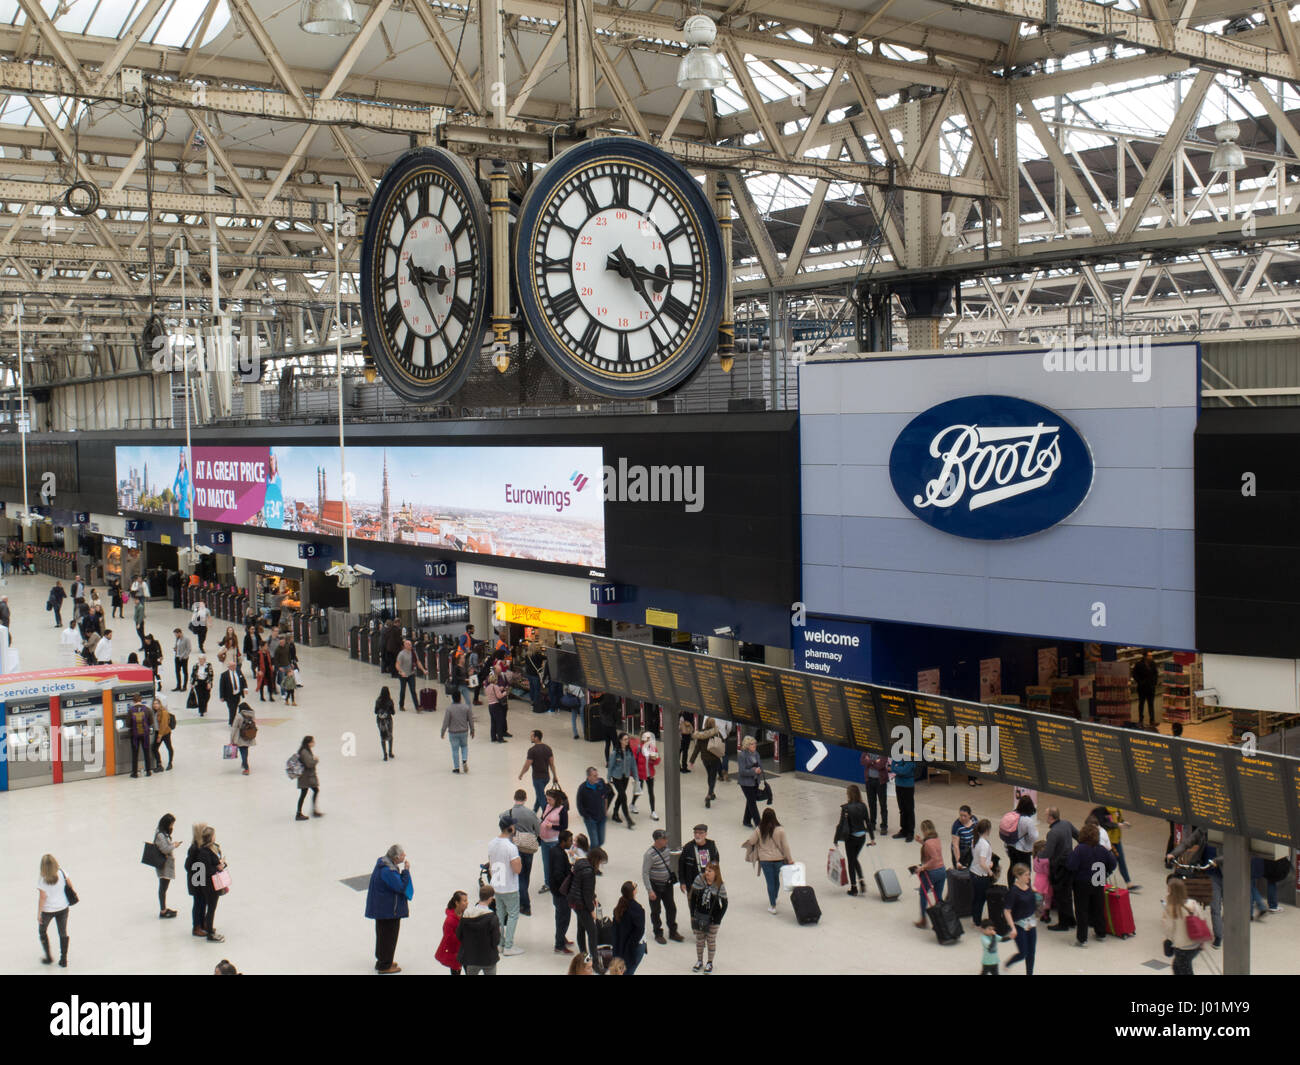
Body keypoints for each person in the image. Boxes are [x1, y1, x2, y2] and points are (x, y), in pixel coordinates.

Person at [1168, 824, 1223, 949]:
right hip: (1211, 874)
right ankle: (1219, 935)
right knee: (1215, 906)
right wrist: (1173, 853)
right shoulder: (1204, 829)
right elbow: (1187, 843)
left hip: (1229, 874)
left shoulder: (1228, 832)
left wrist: (1217, 861)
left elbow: (1235, 851)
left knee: (1231, 907)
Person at [364, 844, 412, 974]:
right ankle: (385, 965)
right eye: (402, 854)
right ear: (396, 857)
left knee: (383, 935)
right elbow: (401, 887)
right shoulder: (388, 870)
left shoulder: (383, 863)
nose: (404, 856)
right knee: (389, 937)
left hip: (382, 908)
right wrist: (406, 871)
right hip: (389, 910)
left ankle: (383, 961)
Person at [1067, 822, 1116, 947]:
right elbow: (1112, 863)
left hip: (1082, 883)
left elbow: (1071, 865)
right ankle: (1101, 933)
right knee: (1098, 907)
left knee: (1082, 911)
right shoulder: (1102, 850)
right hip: (1098, 881)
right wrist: (1105, 873)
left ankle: (1082, 939)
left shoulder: (1079, 849)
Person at [743, 807, 795, 913]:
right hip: (778, 859)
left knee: (770, 882)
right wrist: (789, 859)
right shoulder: (780, 830)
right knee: (776, 881)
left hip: (765, 860)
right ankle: (774, 897)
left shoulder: (759, 829)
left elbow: (752, 841)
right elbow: (785, 846)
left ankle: (772, 905)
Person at [488, 817, 525, 957]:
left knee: (499, 915)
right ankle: (509, 945)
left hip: (496, 886)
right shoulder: (511, 847)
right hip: (510, 887)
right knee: (513, 915)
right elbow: (517, 869)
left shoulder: (491, 843)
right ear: (510, 828)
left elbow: (491, 864)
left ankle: (499, 943)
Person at [568, 845, 607, 972]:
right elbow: (586, 893)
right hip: (581, 904)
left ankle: (583, 955)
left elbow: (585, 887)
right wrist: (591, 911)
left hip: (574, 900)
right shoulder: (589, 872)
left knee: (581, 928)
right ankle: (594, 963)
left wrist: (593, 896)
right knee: (592, 932)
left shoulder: (582, 863)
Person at [502, 790, 541, 917]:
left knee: (518, 876)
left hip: (515, 847)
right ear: (525, 798)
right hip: (528, 847)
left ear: (514, 798)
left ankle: (525, 905)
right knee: (526, 874)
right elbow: (538, 829)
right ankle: (523, 898)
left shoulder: (509, 813)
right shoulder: (531, 813)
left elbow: (501, 819)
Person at [642, 828, 683, 945]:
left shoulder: (667, 849)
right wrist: (650, 890)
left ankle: (673, 931)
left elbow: (676, 852)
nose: (666, 840)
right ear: (657, 840)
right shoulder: (649, 854)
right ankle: (658, 933)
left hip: (667, 884)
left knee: (671, 908)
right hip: (655, 885)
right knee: (656, 910)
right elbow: (645, 873)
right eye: (664, 838)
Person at [186, 823, 226, 943]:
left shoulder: (208, 848)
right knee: (198, 902)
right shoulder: (195, 849)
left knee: (203, 902)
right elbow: (189, 866)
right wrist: (199, 872)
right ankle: (197, 926)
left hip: (203, 880)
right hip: (198, 880)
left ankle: (204, 923)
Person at [1043, 807, 1079, 933]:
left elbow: (1048, 852)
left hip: (1058, 867)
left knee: (1060, 895)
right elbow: (1079, 836)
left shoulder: (1052, 833)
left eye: (1046, 815)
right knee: (1067, 894)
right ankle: (1071, 920)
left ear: (1050, 817)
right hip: (1070, 863)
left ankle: (1063, 923)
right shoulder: (1067, 824)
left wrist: (1038, 856)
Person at [1162, 876, 1208, 976]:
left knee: (1184, 970)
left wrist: (1168, 940)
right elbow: (1202, 920)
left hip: (1182, 947)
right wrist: (1202, 942)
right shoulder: (1192, 903)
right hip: (1195, 944)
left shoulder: (1172, 908)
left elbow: (1169, 929)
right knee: (1177, 967)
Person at [688, 861, 727, 973]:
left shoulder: (720, 885)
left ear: (716, 872)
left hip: (713, 918)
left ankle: (709, 962)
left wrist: (718, 918)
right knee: (699, 940)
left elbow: (724, 904)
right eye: (706, 870)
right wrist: (692, 914)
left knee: (711, 940)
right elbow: (693, 899)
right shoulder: (699, 880)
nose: (707, 873)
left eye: (710, 871)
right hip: (699, 915)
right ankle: (699, 961)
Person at [37, 854, 73, 967]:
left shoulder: (42, 879)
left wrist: (39, 913)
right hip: (63, 908)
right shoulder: (62, 872)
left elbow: (43, 897)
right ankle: (63, 959)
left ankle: (48, 957)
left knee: (42, 931)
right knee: (63, 933)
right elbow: (70, 886)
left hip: (47, 911)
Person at [837, 784, 873, 896]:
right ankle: (861, 880)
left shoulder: (846, 808)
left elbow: (841, 825)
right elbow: (868, 822)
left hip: (851, 838)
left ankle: (854, 888)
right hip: (862, 837)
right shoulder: (863, 806)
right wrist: (872, 838)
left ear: (849, 795)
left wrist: (836, 839)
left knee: (851, 862)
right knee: (854, 858)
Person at [457, 885, 502, 975]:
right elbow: (496, 941)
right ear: (490, 899)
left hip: (471, 957)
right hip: (488, 958)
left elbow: (459, 934)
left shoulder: (467, 914)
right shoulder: (492, 918)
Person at [1004, 863, 1039, 974]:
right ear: (1018, 876)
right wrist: (1013, 928)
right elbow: (1007, 911)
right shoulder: (1013, 892)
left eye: (1029, 874)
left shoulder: (1029, 887)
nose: (1029, 877)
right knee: (1023, 953)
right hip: (1019, 925)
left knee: (1031, 953)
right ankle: (1009, 963)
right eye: (1026, 875)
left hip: (1031, 923)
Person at [912, 819, 947, 928]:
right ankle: (942, 918)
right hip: (942, 871)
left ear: (924, 830)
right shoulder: (936, 839)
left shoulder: (928, 843)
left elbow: (934, 858)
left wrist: (922, 867)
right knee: (938, 896)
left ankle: (923, 919)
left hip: (932, 872)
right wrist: (921, 842)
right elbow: (933, 849)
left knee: (923, 894)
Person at [538, 787, 568, 897]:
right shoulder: (547, 806)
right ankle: (547, 883)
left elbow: (564, 826)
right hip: (544, 840)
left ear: (556, 799)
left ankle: (557, 884)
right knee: (546, 862)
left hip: (554, 841)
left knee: (555, 864)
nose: (548, 801)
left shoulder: (562, 810)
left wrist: (553, 826)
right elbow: (543, 817)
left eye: (550, 799)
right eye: (547, 799)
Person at [1002, 796, 1039, 885]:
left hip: (1010, 846)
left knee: (1012, 867)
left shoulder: (1012, 815)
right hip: (1023, 850)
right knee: (1026, 871)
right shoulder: (1028, 821)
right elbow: (1033, 837)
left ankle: (1011, 887)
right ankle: (1025, 889)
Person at [612, 881, 647, 975]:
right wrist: (629, 947)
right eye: (635, 885)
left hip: (621, 946)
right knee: (629, 971)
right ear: (634, 892)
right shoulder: (637, 909)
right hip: (634, 947)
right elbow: (640, 930)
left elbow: (615, 930)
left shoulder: (618, 908)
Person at [678, 823, 720, 901]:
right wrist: (682, 882)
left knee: (709, 906)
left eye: (700, 833)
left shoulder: (711, 845)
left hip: (709, 882)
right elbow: (681, 866)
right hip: (693, 883)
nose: (697, 835)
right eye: (695, 833)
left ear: (706, 834)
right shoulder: (688, 847)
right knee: (694, 907)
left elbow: (716, 862)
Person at [519, 729, 558, 812]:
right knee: (539, 794)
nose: (531, 738)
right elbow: (551, 764)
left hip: (537, 778)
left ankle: (546, 814)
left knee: (541, 797)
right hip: (546, 777)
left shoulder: (532, 750)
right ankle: (535, 810)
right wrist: (555, 776)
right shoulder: (548, 748)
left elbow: (527, 765)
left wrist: (521, 774)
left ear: (536, 738)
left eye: (532, 736)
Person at [690, 717, 723, 807]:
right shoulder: (716, 733)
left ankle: (711, 793)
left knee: (710, 775)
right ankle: (709, 794)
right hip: (714, 758)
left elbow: (697, 748)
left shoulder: (701, 735)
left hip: (705, 759)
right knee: (713, 776)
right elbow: (722, 742)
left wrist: (692, 760)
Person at [607, 731, 638, 829]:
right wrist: (608, 779)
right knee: (623, 797)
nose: (627, 741)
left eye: (627, 739)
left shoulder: (629, 752)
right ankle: (628, 819)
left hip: (626, 777)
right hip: (617, 777)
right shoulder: (615, 753)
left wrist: (636, 778)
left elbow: (633, 765)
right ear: (620, 741)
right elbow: (610, 766)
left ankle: (615, 812)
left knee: (621, 796)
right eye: (625, 739)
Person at [440, 692, 475, 774]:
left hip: (453, 732)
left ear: (452, 699)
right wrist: (472, 730)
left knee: (455, 750)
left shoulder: (449, 709)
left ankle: (456, 768)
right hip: (464, 731)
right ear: (460, 698)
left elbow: (446, 721)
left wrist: (443, 732)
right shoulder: (466, 707)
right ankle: (464, 760)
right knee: (464, 746)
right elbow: (470, 720)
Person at [435, 891, 469, 975]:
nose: (467, 903)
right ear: (457, 903)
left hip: (466, 951)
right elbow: (449, 940)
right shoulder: (449, 921)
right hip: (456, 954)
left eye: (467, 900)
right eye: (464, 901)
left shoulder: (466, 914)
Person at [969, 818, 995, 927]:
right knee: (981, 898)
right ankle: (977, 920)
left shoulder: (975, 840)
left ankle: (975, 917)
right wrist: (989, 870)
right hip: (981, 875)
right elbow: (982, 862)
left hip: (973, 872)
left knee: (976, 897)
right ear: (988, 830)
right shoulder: (984, 844)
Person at [576, 766, 610, 847]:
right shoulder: (583, 788)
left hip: (601, 817)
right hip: (590, 819)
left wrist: (605, 812)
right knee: (595, 843)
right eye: (594, 776)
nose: (597, 777)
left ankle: (593, 855)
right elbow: (579, 804)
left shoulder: (601, 783)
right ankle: (592, 858)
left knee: (601, 841)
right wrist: (586, 816)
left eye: (597, 775)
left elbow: (605, 797)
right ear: (588, 777)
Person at [153, 813, 179, 919]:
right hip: (164, 864)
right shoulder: (160, 835)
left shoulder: (163, 832)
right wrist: (174, 845)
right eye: (171, 824)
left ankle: (163, 908)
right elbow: (165, 849)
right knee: (163, 887)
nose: (172, 826)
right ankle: (163, 910)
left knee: (164, 886)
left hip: (166, 864)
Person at [737, 734, 765, 828]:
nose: (754, 746)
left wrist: (760, 770)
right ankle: (759, 824)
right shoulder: (742, 755)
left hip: (755, 781)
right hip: (746, 783)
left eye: (755, 744)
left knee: (750, 800)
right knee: (752, 802)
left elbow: (760, 765)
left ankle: (746, 820)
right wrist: (753, 771)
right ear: (747, 745)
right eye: (752, 744)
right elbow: (742, 771)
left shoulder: (756, 754)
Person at [889, 757, 917, 841]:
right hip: (898, 785)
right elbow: (893, 767)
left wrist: (898, 768)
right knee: (902, 809)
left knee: (909, 809)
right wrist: (899, 768)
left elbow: (905, 771)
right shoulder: (897, 756)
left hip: (908, 786)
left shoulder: (911, 758)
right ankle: (903, 831)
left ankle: (910, 832)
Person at [294, 736, 321, 820]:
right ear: (309, 743)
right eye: (313, 741)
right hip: (306, 777)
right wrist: (315, 760)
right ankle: (299, 814)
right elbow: (309, 764)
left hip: (307, 776)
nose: (314, 743)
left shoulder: (305, 750)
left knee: (310, 792)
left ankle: (311, 811)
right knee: (304, 794)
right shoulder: (304, 752)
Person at [395, 638, 425, 712]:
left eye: (410, 644)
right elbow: (397, 665)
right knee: (403, 690)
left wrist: (423, 670)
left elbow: (418, 662)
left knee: (413, 690)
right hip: (403, 675)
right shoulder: (401, 654)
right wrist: (401, 672)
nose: (410, 646)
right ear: (405, 645)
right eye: (408, 644)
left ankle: (417, 707)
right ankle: (401, 705)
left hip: (411, 674)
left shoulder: (413, 653)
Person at [127, 694, 153, 778]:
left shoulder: (131, 710)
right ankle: (148, 771)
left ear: (133, 701)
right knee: (146, 752)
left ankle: (135, 773)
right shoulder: (147, 710)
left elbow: (128, 724)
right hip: (145, 735)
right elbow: (151, 722)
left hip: (134, 736)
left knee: (135, 754)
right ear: (141, 700)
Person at [1132, 650, 1159, 728]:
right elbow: (1134, 674)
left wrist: (1154, 683)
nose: (1151, 657)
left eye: (1151, 655)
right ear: (1145, 656)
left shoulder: (1153, 664)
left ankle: (1152, 720)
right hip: (1142, 688)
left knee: (1151, 704)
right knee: (1141, 704)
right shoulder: (1139, 664)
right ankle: (1140, 720)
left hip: (1151, 688)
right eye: (1149, 655)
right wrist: (1140, 682)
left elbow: (1156, 674)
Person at [639, 731, 661, 822]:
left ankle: (653, 811)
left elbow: (657, 760)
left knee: (651, 792)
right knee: (638, 791)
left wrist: (654, 760)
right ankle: (632, 803)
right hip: (640, 774)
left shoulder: (653, 748)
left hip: (649, 774)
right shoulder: (639, 748)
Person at [219, 658, 247, 726]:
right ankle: (232, 722)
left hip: (237, 694)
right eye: (232, 666)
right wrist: (221, 696)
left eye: (234, 665)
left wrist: (245, 688)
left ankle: (232, 720)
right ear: (228, 667)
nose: (234, 667)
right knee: (232, 708)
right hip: (229, 695)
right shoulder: (224, 675)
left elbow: (243, 680)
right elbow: (221, 686)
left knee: (235, 707)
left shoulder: (239, 672)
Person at [230, 701, 256, 775]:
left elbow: (234, 727)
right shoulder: (252, 714)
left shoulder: (239, 716)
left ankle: (246, 767)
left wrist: (231, 739)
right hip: (249, 736)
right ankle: (244, 762)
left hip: (240, 737)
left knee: (242, 751)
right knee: (245, 750)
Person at [485, 669, 510, 741]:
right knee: (499, 722)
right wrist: (505, 693)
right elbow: (499, 696)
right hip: (496, 705)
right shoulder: (495, 687)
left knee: (493, 722)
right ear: (495, 680)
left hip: (490, 705)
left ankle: (493, 737)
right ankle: (500, 738)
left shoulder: (487, 687)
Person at [150, 697, 174, 772]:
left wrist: (160, 736)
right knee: (154, 748)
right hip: (158, 732)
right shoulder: (154, 712)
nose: (155, 705)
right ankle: (159, 764)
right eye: (154, 704)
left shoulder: (164, 712)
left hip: (165, 733)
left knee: (169, 747)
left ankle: (170, 763)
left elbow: (163, 725)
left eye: (157, 703)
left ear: (160, 704)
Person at [375, 686, 395, 761]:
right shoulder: (390, 701)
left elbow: (375, 711)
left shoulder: (378, 701)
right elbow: (393, 712)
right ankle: (390, 752)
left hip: (380, 720)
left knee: (382, 736)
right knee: (390, 735)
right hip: (388, 720)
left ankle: (385, 754)